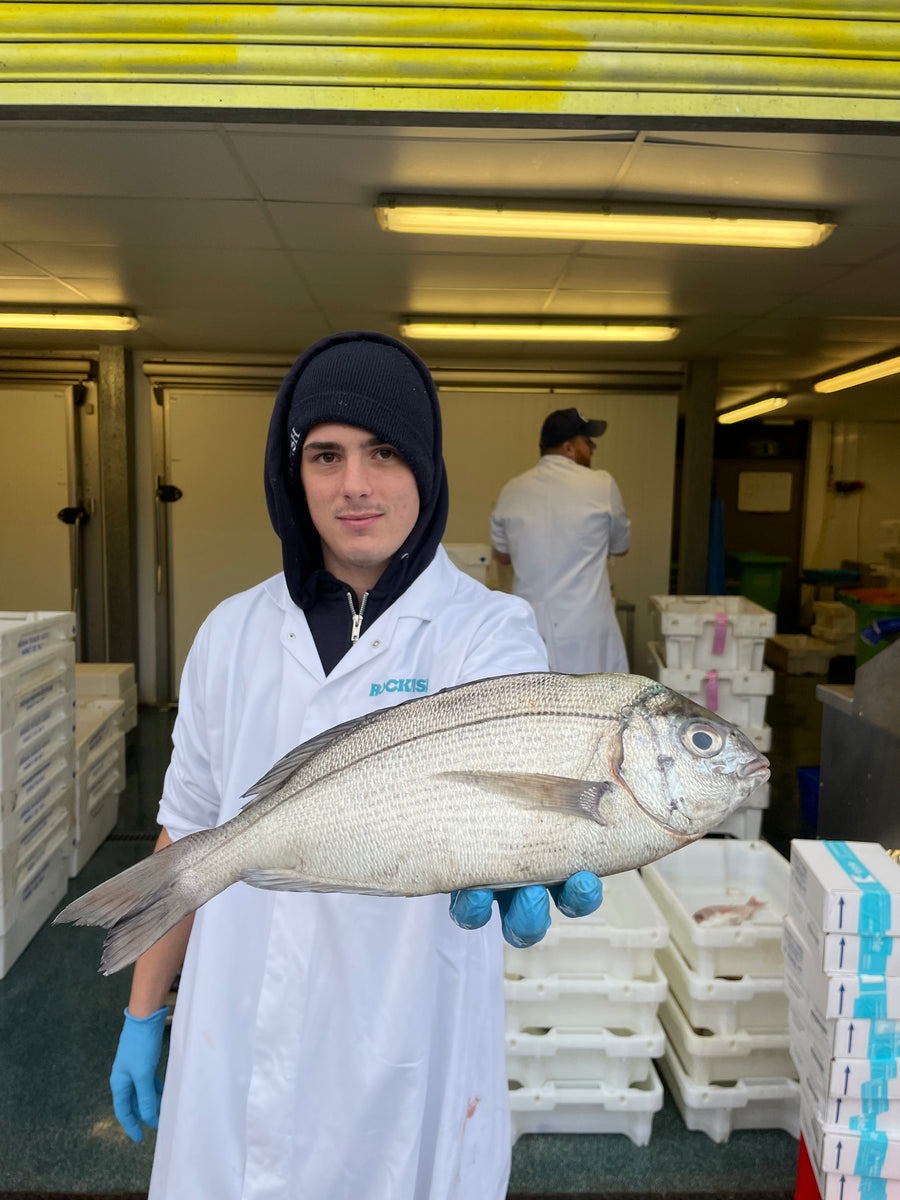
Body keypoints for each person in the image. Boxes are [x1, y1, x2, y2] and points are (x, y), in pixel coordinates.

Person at [109, 332, 604, 1200]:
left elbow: (515, 786)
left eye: (384, 452)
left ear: (425, 466)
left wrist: (533, 845)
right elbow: (185, 836)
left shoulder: (487, 635)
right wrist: (144, 1009)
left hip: (404, 1053)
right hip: (235, 1043)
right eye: (326, 455)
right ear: (292, 474)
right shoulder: (232, 633)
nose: (356, 486)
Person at [490, 406, 631, 675]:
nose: (593, 446)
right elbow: (620, 547)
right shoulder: (601, 485)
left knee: (535, 707)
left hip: (529, 627)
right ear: (568, 447)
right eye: (586, 441)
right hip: (585, 629)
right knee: (593, 708)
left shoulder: (511, 489)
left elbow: (503, 556)